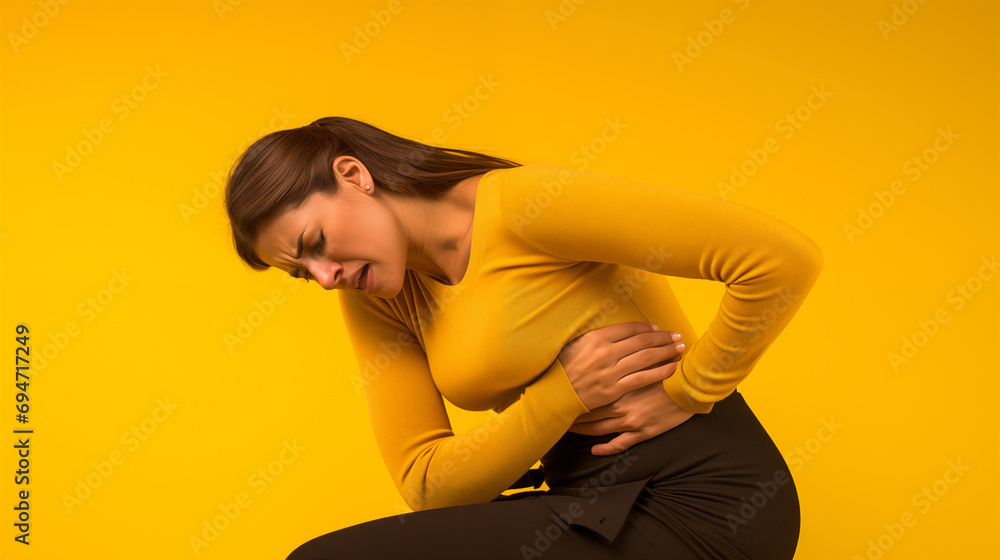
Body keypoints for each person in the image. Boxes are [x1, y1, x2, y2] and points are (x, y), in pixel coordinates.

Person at [224, 116, 824, 559]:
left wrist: (690, 391)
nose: (325, 277)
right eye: (303, 274)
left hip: (704, 496)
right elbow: (426, 483)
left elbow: (778, 260)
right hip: (584, 503)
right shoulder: (377, 296)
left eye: (315, 244)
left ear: (353, 176)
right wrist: (563, 395)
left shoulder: (521, 207)